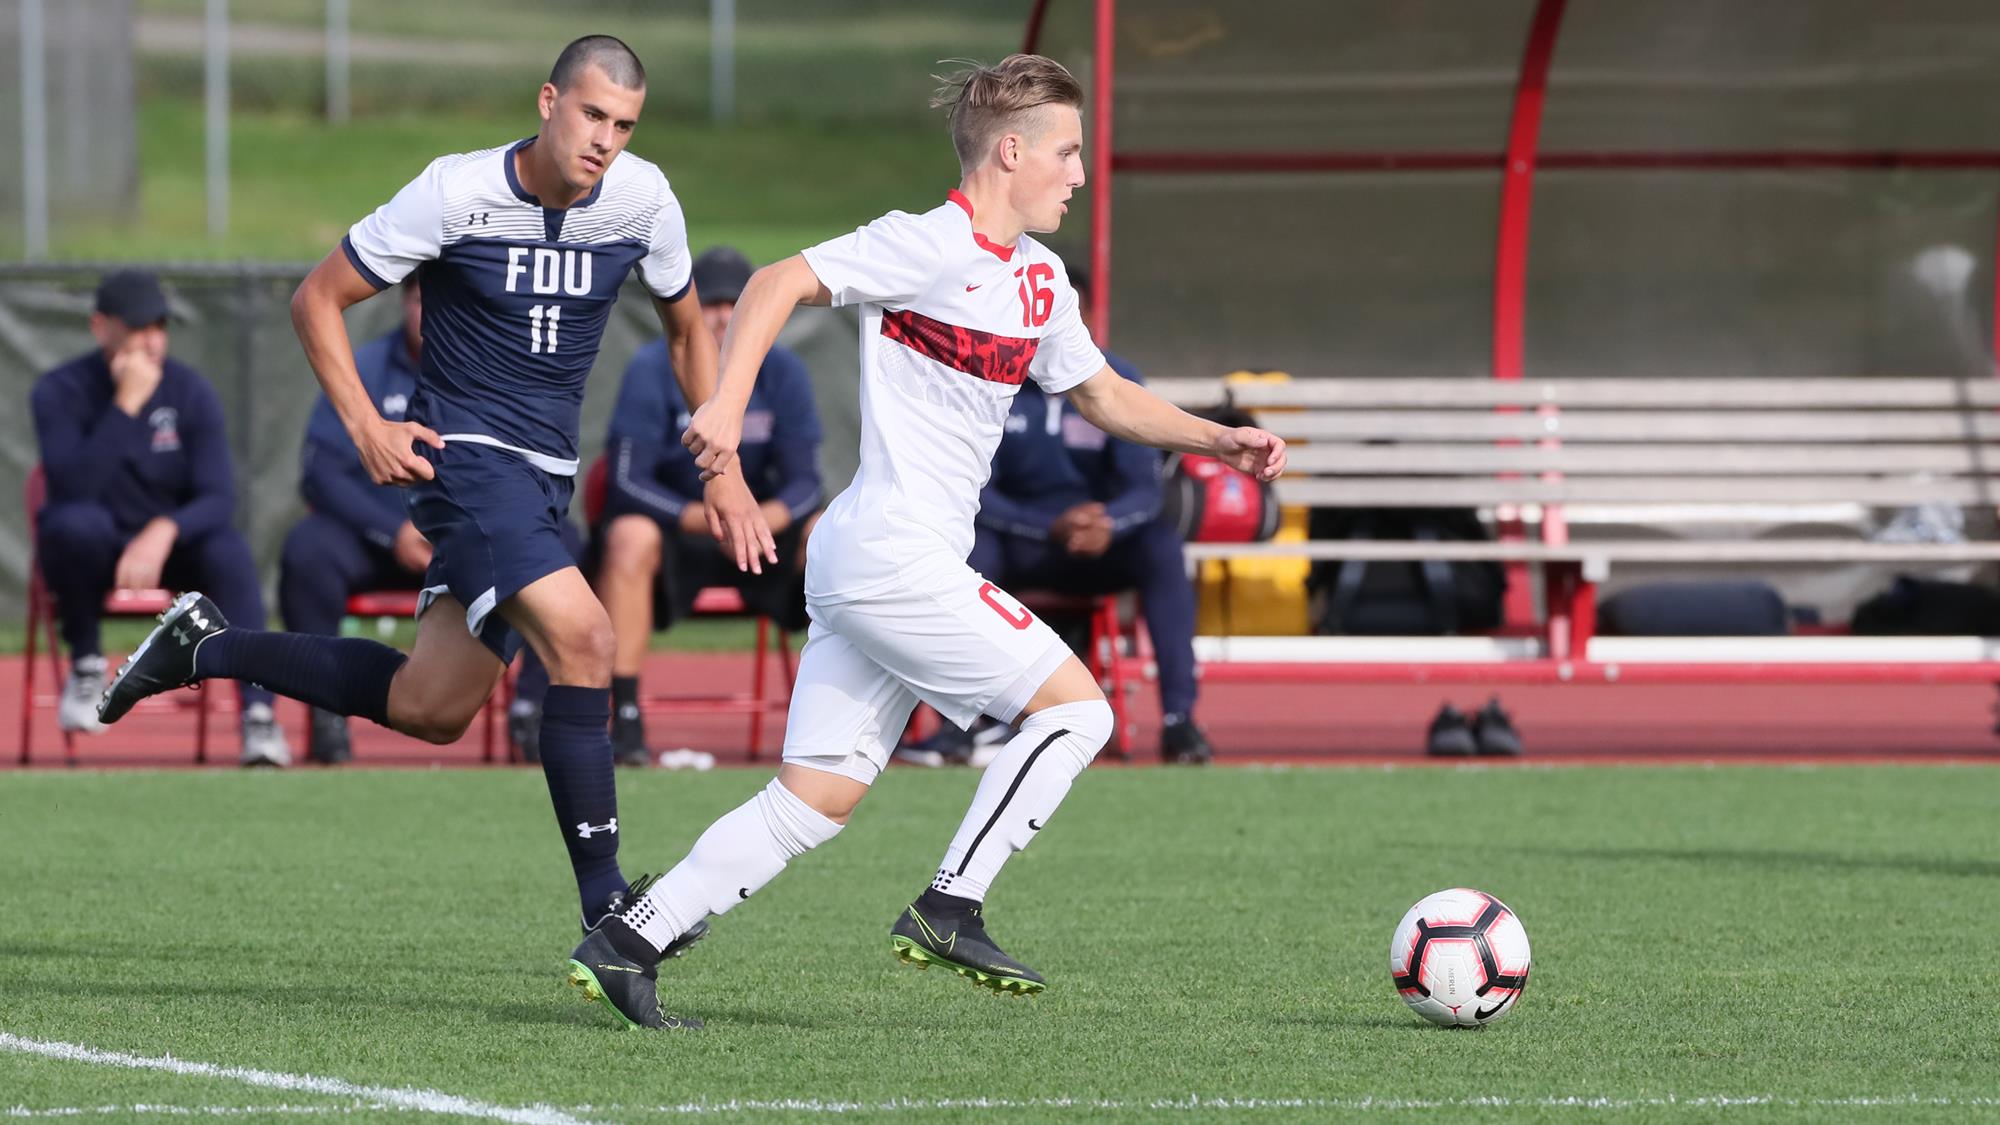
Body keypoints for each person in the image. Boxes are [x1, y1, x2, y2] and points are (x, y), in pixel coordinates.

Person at [563, 54, 1286, 1030]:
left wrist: (1217, 440)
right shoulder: (924, 244)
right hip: (887, 552)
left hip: (881, 560)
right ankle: (951, 904)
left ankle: (629, 939)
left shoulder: (1039, 281)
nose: (1079, 175)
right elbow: (775, 281)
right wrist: (725, 407)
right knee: (1079, 713)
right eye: (1068, 153)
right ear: (1012, 150)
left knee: (813, 799)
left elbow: (1103, 394)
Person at [97, 36, 770, 937]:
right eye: (591, 115)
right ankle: (610, 904)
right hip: (468, 466)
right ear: (548, 102)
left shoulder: (643, 200)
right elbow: (315, 299)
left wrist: (722, 469)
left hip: (544, 481)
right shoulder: (456, 192)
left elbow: (687, 332)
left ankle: (204, 647)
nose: (605, 140)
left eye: (624, 124)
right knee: (587, 638)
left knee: (433, 705)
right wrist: (365, 426)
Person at [899, 267, 1213, 766]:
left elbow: (1145, 489)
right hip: (1021, 542)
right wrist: (1048, 527)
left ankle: (1180, 721)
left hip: (1098, 546)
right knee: (964, 549)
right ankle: (960, 727)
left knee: (1161, 547)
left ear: (1086, 317)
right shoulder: (989, 379)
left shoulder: (1118, 381)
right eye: (1039, 313)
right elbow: (976, 491)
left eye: (1067, 312)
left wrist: (1109, 522)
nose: (1053, 326)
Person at [277, 275, 579, 765]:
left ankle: (532, 706)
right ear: (404, 302)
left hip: (471, 542)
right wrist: (392, 532)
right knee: (308, 548)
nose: (432, 309)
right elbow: (321, 473)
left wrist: (466, 530)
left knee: (564, 540)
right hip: (380, 540)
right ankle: (326, 712)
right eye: (422, 299)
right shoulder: (368, 367)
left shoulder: (493, 369)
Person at [31, 268, 291, 767]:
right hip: (95, 552)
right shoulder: (58, 391)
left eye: (159, 327)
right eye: (137, 328)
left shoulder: (191, 392)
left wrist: (165, 529)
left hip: (171, 551)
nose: (151, 341)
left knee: (229, 550)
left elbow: (219, 498)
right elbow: (71, 489)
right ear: (101, 327)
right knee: (71, 525)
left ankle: (259, 716)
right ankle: (86, 665)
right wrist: (126, 405)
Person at [593, 245, 824, 766]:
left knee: (830, 534)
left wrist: (763, 519)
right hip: (679, 529)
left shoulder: (783, 370)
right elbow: (626, 480)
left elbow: (808, 480)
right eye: (711, 305)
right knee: (628, 537)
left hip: (761, 536)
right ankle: (624, 715)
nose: (722, 317)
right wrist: (705, 517)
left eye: (734, 305)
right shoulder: (651, 367)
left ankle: (840, 715)